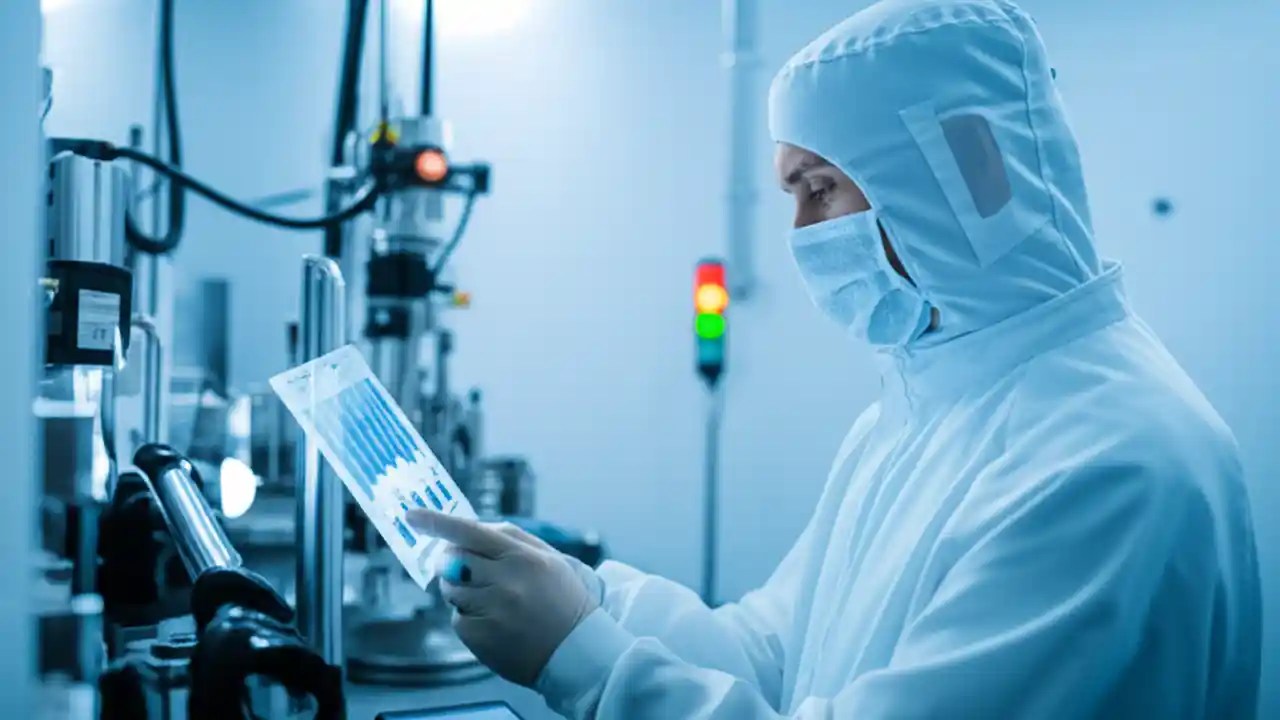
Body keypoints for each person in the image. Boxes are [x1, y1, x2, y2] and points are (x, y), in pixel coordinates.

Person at [407, 0, 1263, 717]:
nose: (804, 237)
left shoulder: (1109, 459)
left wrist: (585, 661)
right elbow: (777, 655)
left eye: (821, 187)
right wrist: (585, 596)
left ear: (956, 178)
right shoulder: (924, 407)